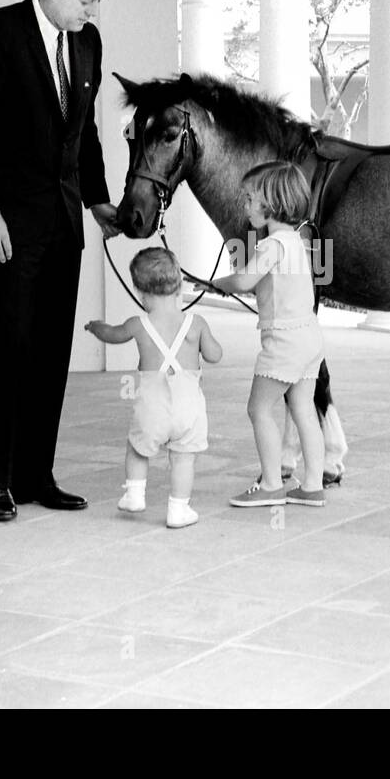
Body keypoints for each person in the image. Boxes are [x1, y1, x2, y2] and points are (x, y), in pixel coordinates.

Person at [0, 0, 122, 523]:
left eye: (96, 4)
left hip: (62, 224)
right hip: (4, 225)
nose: (92, 13)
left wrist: (98, 201)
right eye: (86, 1)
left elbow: (86, 131)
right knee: (6, 348)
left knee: (51, 351)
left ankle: (36, 474)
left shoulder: (88, 43)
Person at [196, 161, 327, 508]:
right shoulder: (298, 242)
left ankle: (271, 484)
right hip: (309, 339)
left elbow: (243, 281)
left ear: (271, 202)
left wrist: (212, 283)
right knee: (302, 408)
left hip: (284, 342)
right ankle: (312, 484)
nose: (244, 205)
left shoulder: (272, 245)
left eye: (249, 198)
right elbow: (272, 286)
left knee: (259, 409)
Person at [84, 248, 222, 529]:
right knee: (184, 459)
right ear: (179, 285)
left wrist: (97, 327)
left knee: (137, 448)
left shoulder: (138, 325)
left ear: (140, 292)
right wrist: (209, 344)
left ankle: (134, 494)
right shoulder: (196, 323)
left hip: (152, 407)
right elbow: (214, 355)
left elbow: (111, 334)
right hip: (189, 409)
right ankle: (178, 510)